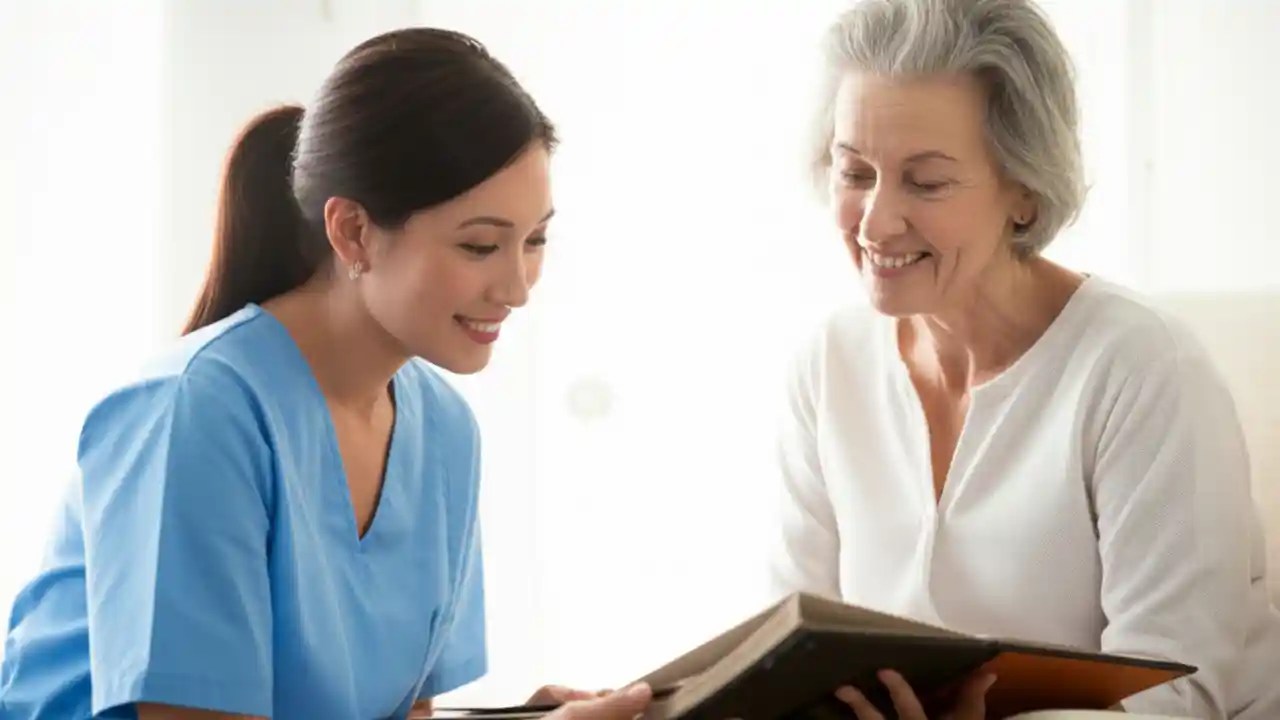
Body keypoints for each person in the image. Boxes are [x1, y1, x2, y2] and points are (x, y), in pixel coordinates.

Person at [0, 28, 652, 720]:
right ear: (352, 233)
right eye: (480, 245)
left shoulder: (445, 433)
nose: (518, 286)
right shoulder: (197, 411)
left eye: (536, 239)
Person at [768, 1, 1280, 718]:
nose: (877, 222)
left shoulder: (1140, 368)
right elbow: (789, 648)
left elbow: (1181, 694)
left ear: (1025, 193)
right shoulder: (830, 364)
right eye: (854, 172)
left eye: (927, 181)